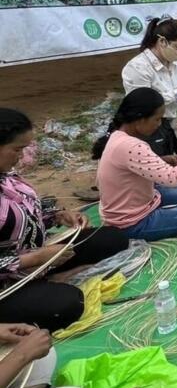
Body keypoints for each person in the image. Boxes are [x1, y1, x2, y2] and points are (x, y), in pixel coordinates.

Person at [0, 109, 128, 331]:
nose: (22, 157)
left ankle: (47, 277)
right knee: (69, 304)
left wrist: (58, 215)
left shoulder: (6, 175)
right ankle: (43, 283)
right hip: (7, 282)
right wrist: (35, 258)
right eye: (17, 149)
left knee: (112, 238)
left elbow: (26, 212)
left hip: (38, 257)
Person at [93, 88, 177, 242]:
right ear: (140, 120)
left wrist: (162, 160)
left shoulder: (118, 135)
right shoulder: (131, 146)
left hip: (146, 199)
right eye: (157, 119)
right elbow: (174, 179)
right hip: (132, 223)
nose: (159, 125)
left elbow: (131, 167)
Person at [122, 18, 177, 157]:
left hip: (169, 122)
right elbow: (143, 104)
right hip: (144, 125)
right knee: (165, 166)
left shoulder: (175, 61)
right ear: (162, 41)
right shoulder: (137, 67)